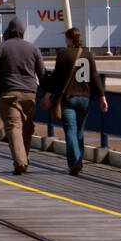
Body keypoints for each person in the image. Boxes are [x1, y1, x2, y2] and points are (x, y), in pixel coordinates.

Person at [41, 26, 108, 176]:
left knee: (70, 130)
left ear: (69, 39)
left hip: (68, 98)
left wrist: (47, 95)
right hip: (85, 99)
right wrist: (102, 98)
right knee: (79, 131)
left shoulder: (63, 54)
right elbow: (95, 77)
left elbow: (57, 78)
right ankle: (79, 160)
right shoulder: (88, 55)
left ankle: (75, 162)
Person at [0, 17, 46, 175]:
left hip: (8, 93)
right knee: (27, 128)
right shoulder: (33, 49)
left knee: (14, 127)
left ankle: (20, 162)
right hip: (29, 94)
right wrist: (47, 93)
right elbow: (42, 74)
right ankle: (23, 159)